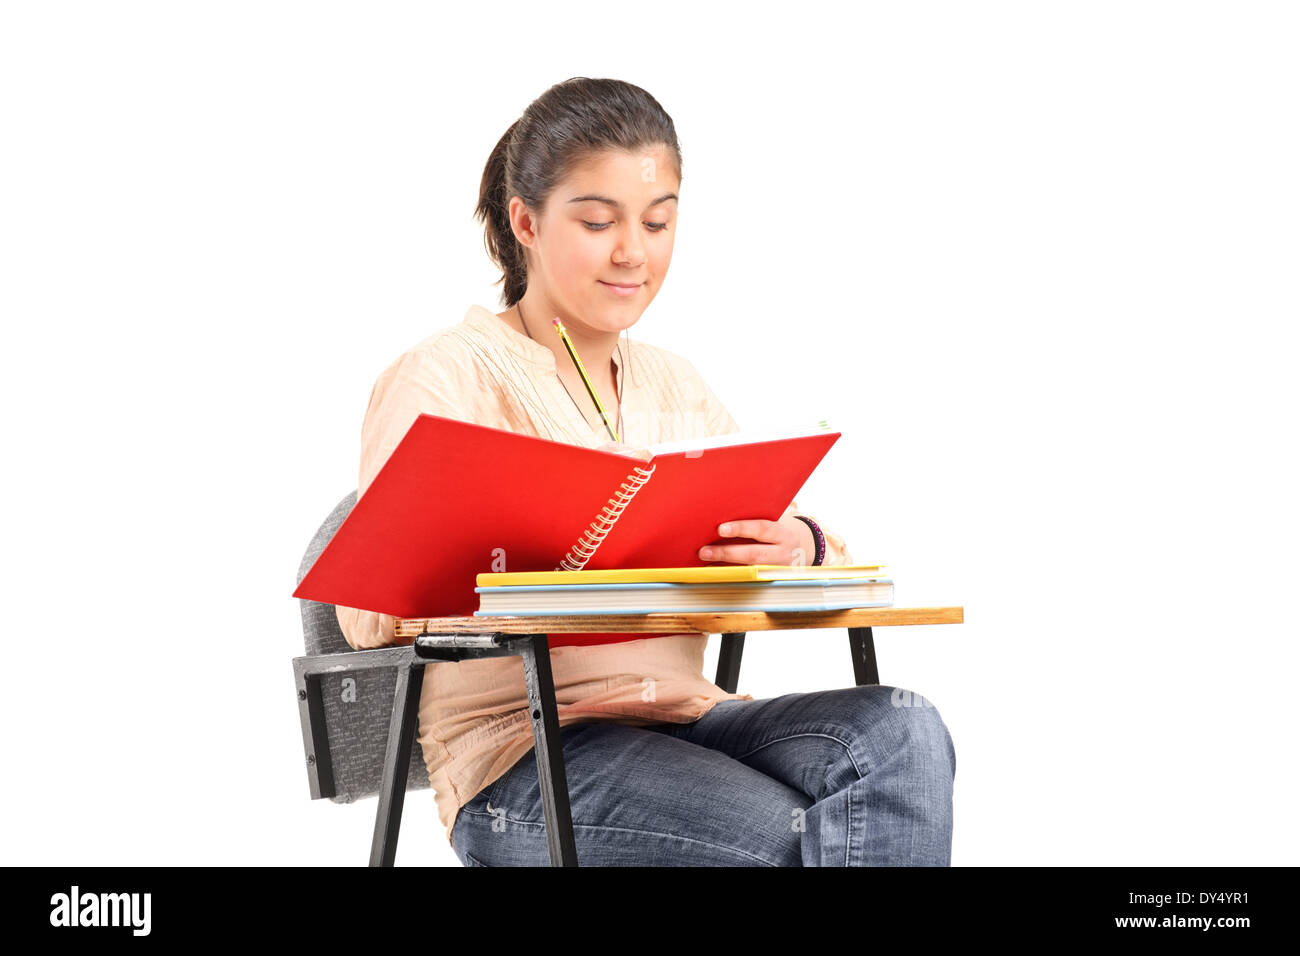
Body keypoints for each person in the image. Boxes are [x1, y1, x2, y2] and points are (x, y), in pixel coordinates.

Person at [335, 77, 955, 866]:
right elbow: (361, 612)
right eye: (598, 222)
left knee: (904, 734)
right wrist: (496, 546)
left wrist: (798, 541)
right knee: (786, 838)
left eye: (657, 222)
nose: (634, 251)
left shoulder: (675, 383)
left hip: (690, 718)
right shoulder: (444, 377)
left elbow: (796, 531)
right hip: (526, 755)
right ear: (525, 220)